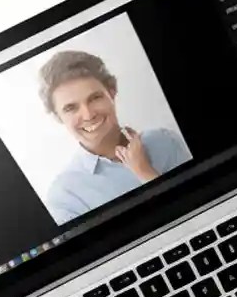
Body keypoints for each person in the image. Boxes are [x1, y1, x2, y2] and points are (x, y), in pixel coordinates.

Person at [39, 50, 191, 224]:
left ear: (112, 92)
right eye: (71, 108)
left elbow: (200, 207)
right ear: (58, 117)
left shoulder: (164, 142)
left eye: (95, 98)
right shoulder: (64, 197)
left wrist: (146, 173)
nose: (88, 115)